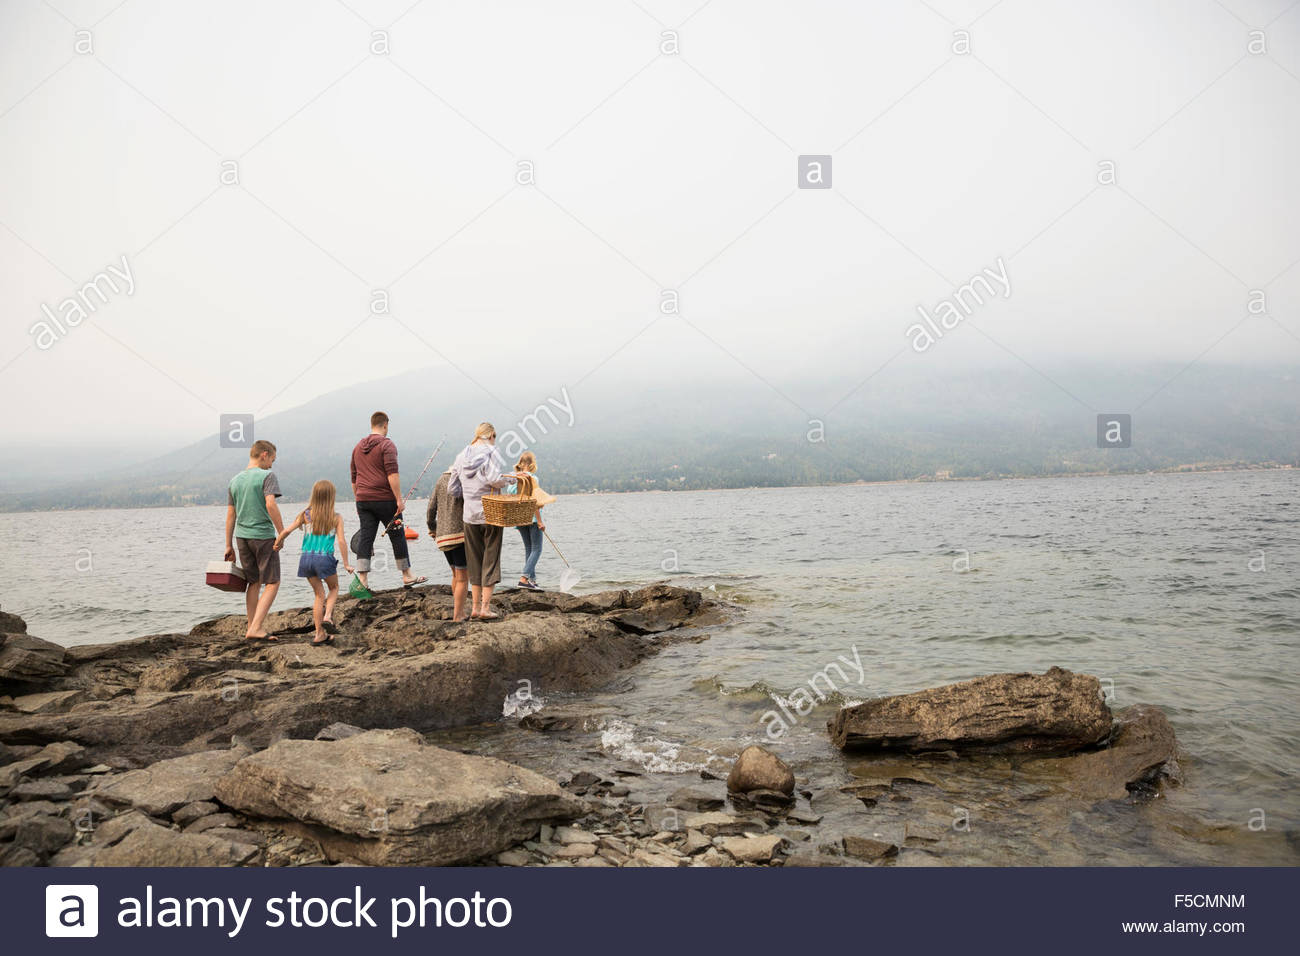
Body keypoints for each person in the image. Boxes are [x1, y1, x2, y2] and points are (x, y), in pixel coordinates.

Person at [350, 411, 426, 591]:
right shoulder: (387, 445)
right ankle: (407, 575)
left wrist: (358, 499)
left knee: (366, 538)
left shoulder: (357, 447)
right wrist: (399, 499)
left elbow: (354, 478)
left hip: (363, 499)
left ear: (372, 424)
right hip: (385, 499)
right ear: (385, 425)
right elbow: (392, 474)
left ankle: (362, 580)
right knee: (397, 535)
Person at [273, 479, 354, 645]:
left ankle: (319, 634)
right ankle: (328, 616)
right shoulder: (336, 517)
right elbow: (341, 541)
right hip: (324, 558)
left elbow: (287, 530)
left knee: (318, 595)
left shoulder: (306, 515)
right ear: (331, 497)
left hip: (306, 559)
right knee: (334, 588)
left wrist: (278, 542)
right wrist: (346, 563)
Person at [449, 423, 515, 620]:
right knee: (491, 559)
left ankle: (476, 607)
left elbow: (452, 489)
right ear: (491, 435)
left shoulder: (461, 456)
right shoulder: (491, 451)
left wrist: (470, 494)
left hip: (469, 516)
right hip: (490, 513)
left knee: (474, 562)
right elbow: (495, 479)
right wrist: (511, 480)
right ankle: (485, 608)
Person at [223, 439, 285, 641]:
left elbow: (230, 515)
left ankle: (252, 626)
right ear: (264, 455)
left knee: (254, 582)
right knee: (273, 582)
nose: (272, 465)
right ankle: (256, 627)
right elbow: (270, 504)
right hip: (263, 536)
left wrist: (228, 545)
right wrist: (282, 532)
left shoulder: (234, 480)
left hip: (242, 538)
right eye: (272, 460)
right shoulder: (267, 476)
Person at [426, 468, 469, 622]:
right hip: (459, 535)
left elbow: (431, 508)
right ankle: (458, 615)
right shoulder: (463, 479)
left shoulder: (440, 479)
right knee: (463, 578)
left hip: (443, 537)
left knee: (455, 575)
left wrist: (432, 529)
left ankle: (459, 610)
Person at [505, 451, 549, 591]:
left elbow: (511, 498)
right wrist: (540, 521)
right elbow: (533, 501)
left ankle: (532, 581)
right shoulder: (532, 478)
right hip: (533, 518)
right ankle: (524, 579)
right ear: (531, 464)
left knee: (529, 549)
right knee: (537, 549)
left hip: (519, 518)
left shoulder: (513, 479)